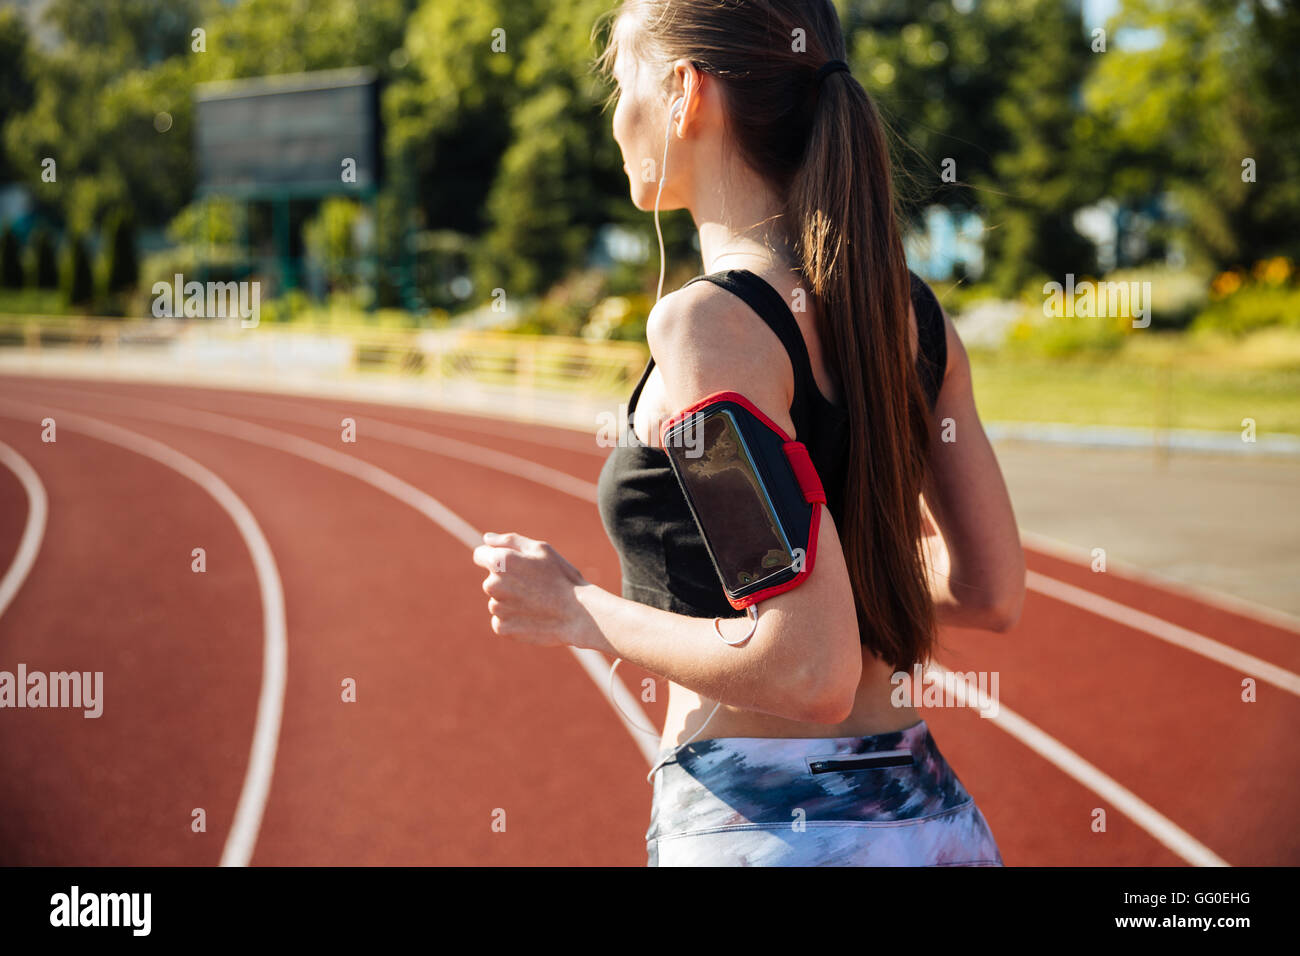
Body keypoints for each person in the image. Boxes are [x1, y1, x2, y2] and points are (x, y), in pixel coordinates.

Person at [472, 0, 1025, 866]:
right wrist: (837, 573)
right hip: (936, 820)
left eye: (622, 85)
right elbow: (989, 587)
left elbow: (809, 671)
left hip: (772, 831)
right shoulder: (913, 316)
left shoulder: (707, 329)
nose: (616, 119)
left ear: (685, 93)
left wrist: (576, 610)